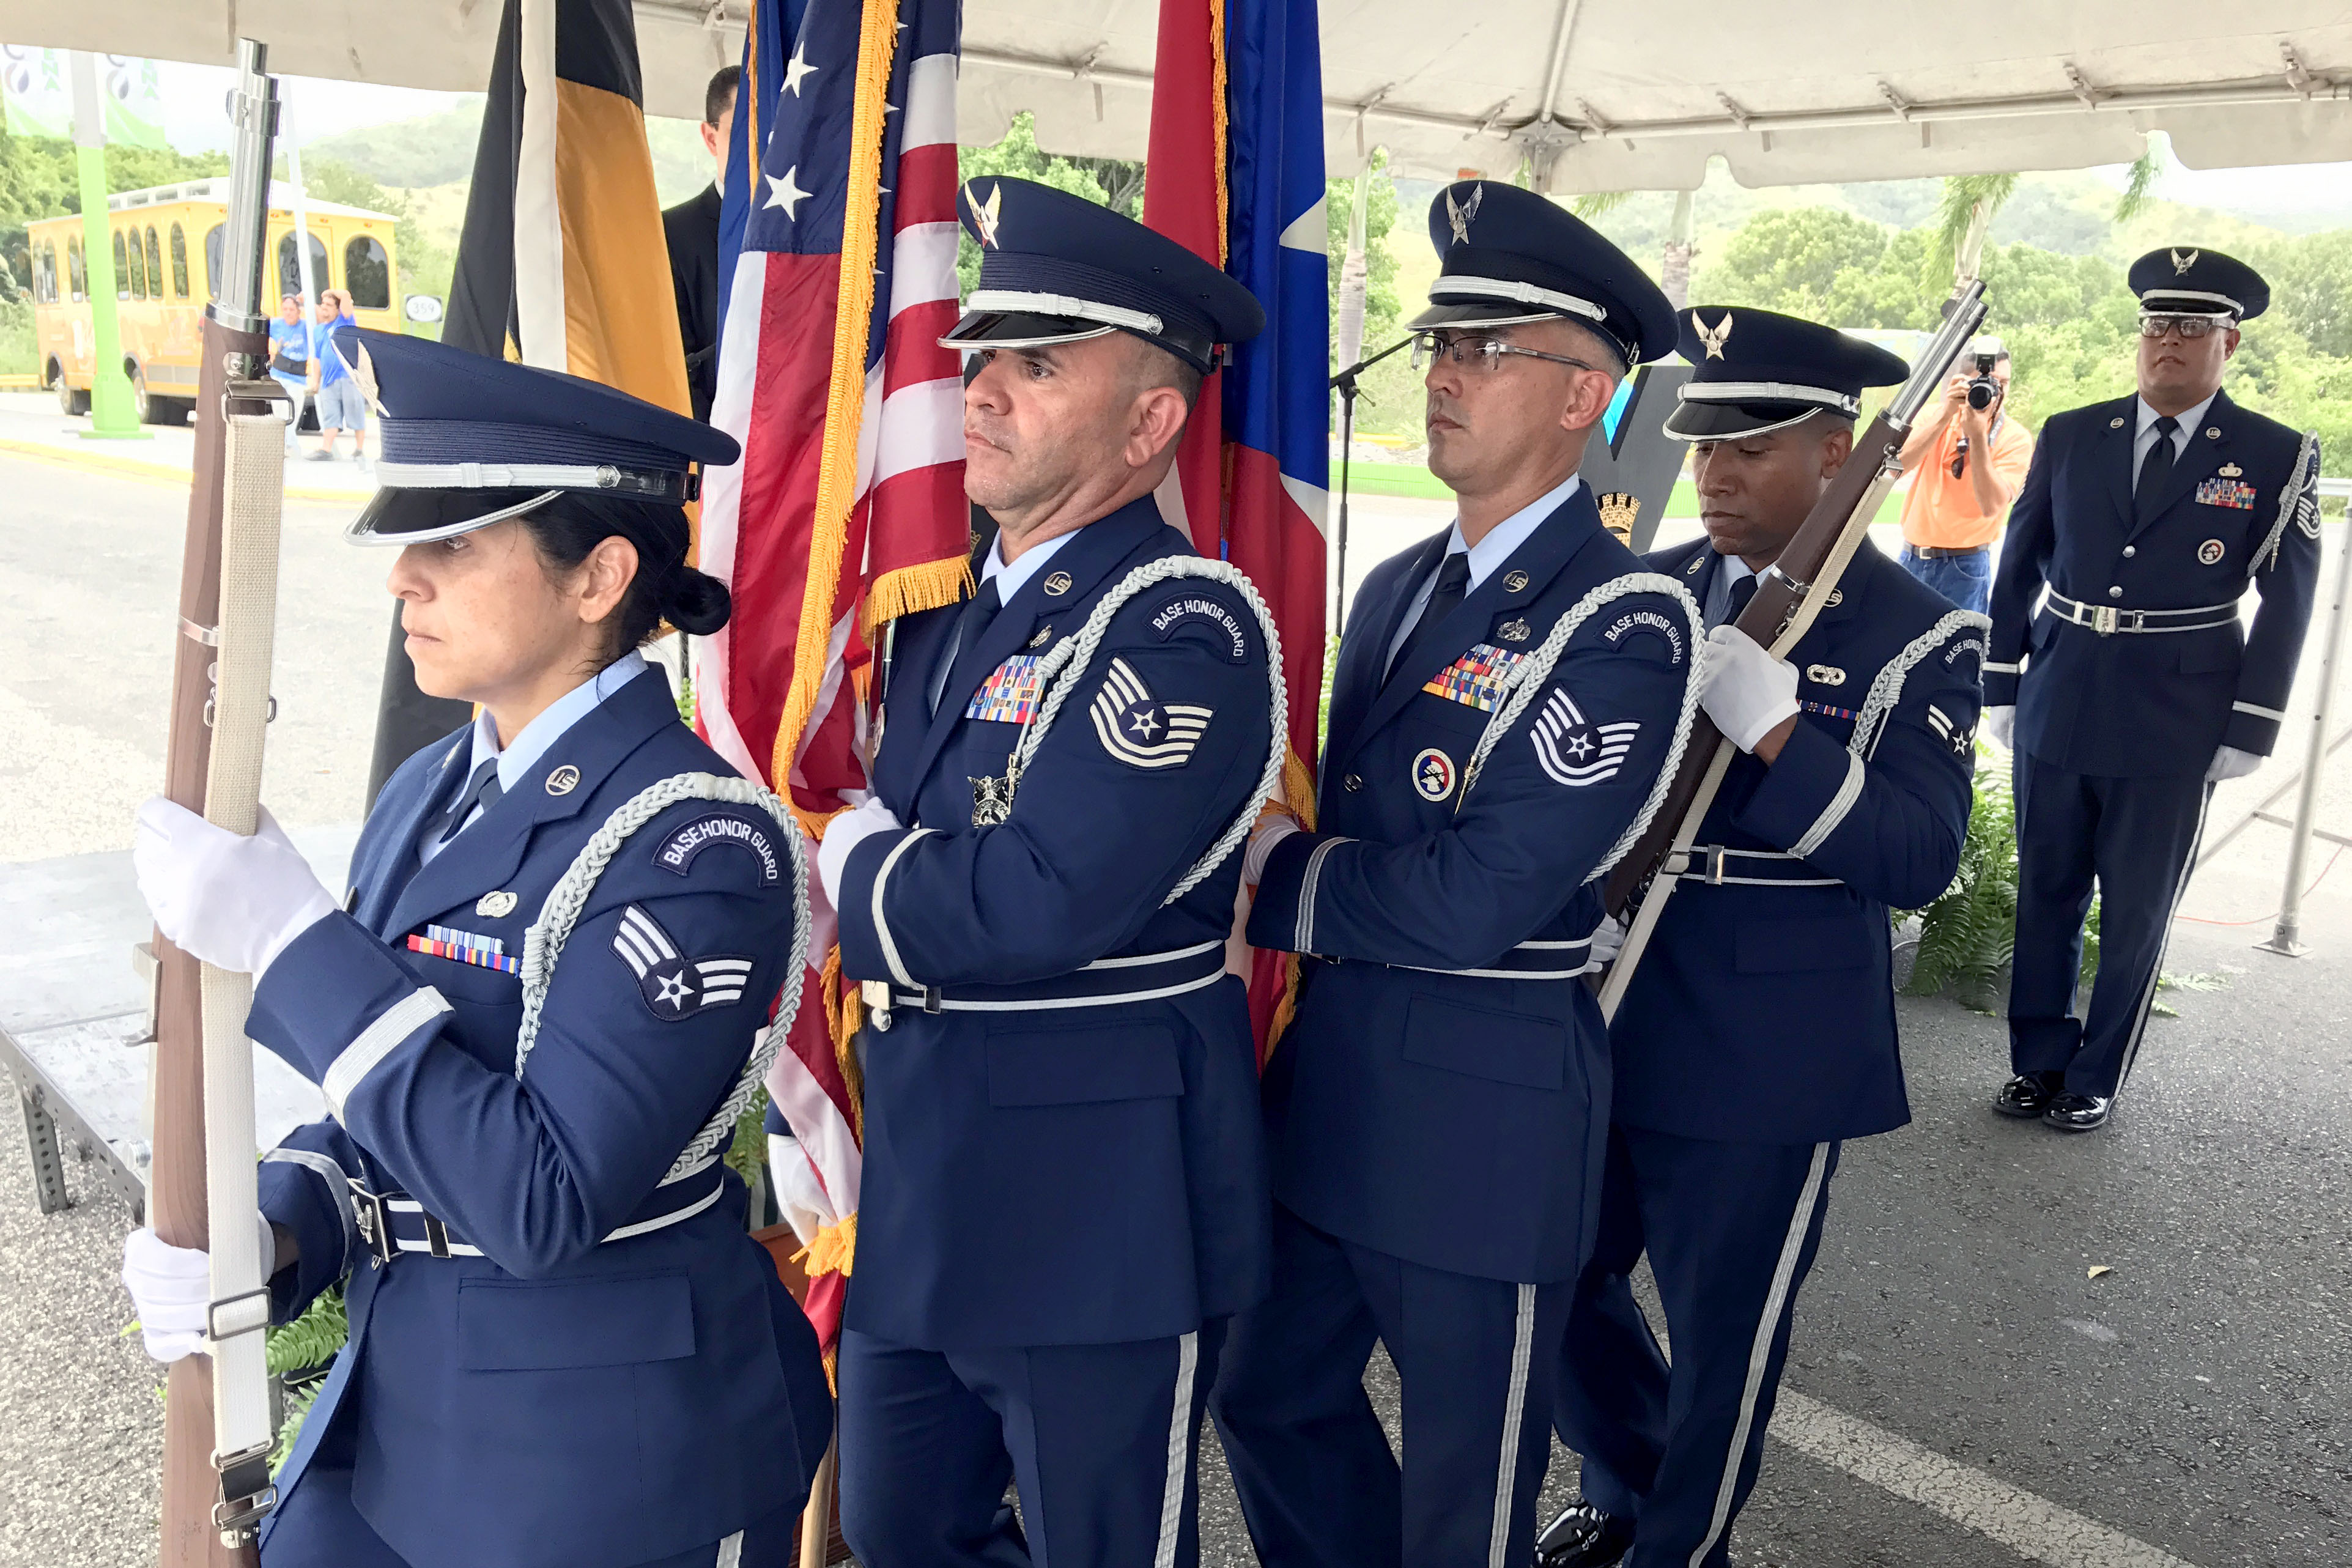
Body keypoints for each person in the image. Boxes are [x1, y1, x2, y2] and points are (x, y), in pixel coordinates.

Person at [118, 329, 835, 1567]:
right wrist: (273, 1225)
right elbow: (381, 1110)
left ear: (601, 575)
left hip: (602, 1448)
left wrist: (293, 941)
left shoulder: (695, 845)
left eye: (453, 543)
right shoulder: (433, 787)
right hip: (407, 1405)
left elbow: (542, 1196)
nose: (404, 577)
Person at [1208, 182, 1699, 1568]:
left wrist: (1280, 881)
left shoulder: (1624, 617)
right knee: (1267, 1397)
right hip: (1335, 1087)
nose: (1444, 373)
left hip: (1481, 1114)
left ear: (1581, 395)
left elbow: (1484, 892)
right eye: (1440, 344)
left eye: (1489, 349)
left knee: (1463, 1496)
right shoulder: (1400, 584)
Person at [816, 176, 1279, 1568]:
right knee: (903, 1536)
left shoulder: (1180, 625)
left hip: (1094, 1206)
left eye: (1038, 364)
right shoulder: (948, 598)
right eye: (983, 356)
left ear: (1150, 423)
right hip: (924, 1173)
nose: (981, 390)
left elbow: (1034, 900)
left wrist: (841, 853)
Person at [1534, 308, 1983, 1568]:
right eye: (1706, 448)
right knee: (1556, 1275)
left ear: (1838, 454)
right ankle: (1630, 1487)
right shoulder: (1655, 588)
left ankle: (1678, 1550)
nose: (1717, 475)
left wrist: (1785, 739)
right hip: (1615, 993)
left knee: (1727, 1336)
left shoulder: (1916, 629)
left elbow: (1917, 855)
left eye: (1753, 448)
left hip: (1767, 1040)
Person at [1983, 248, 2322, 1133]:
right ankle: (2037, 1063)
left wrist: (2252, 724)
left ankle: (2095, 1074)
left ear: (2228, 342)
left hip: (2176, 715)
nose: (2166, 343)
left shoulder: (2273, 453)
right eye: (2155, 326)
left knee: (2134, 911)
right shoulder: (2069, 432)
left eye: (2190, 328)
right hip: (2060, 694)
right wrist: (2000, 676)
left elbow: (2287, 596)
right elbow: (2017, 562)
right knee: (2045, 893)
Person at [1893, 337, 2032, 613]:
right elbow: (1896, 469)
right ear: (1963, 383)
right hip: (1910, 557)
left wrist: (1979, 439)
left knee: (1956, 652)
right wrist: (1946, 414)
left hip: (1965, 566)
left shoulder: (2015, 438)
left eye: (2003, 384)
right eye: (1988, 382)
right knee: (1894, 650)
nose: (1995, 392)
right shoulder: (1933, 417)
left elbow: (1992, 505)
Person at [663, 65, 736, 422]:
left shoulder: (819, 233)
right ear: (711, 138)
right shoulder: (672, 234)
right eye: (746, 132)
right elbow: (671, 366)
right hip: (720, 452)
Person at [309, 290, 368, 464]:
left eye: (329, 305)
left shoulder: (345, 322)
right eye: (323, 304)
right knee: (330, 416)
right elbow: (317, 358)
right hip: (328, 380)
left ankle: (359, 449)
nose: (324, 308)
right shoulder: (319, 330)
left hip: (348, 377)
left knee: (355, 411)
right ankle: (326, 450)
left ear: (338, 309)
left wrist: (330, 292)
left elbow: (346, 296)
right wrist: (316, 380)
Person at [267, 292, 312, 455]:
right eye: (285, 309)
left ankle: (290, 444)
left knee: (292, 412)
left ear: (298, 311)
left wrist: (307, 303)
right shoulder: (276, 325)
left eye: (292, 309)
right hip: (279, 374)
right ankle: (285, 445)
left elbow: (319, 322)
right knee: (279, 412)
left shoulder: (306, 327)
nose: (288, 312)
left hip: (298, 378)